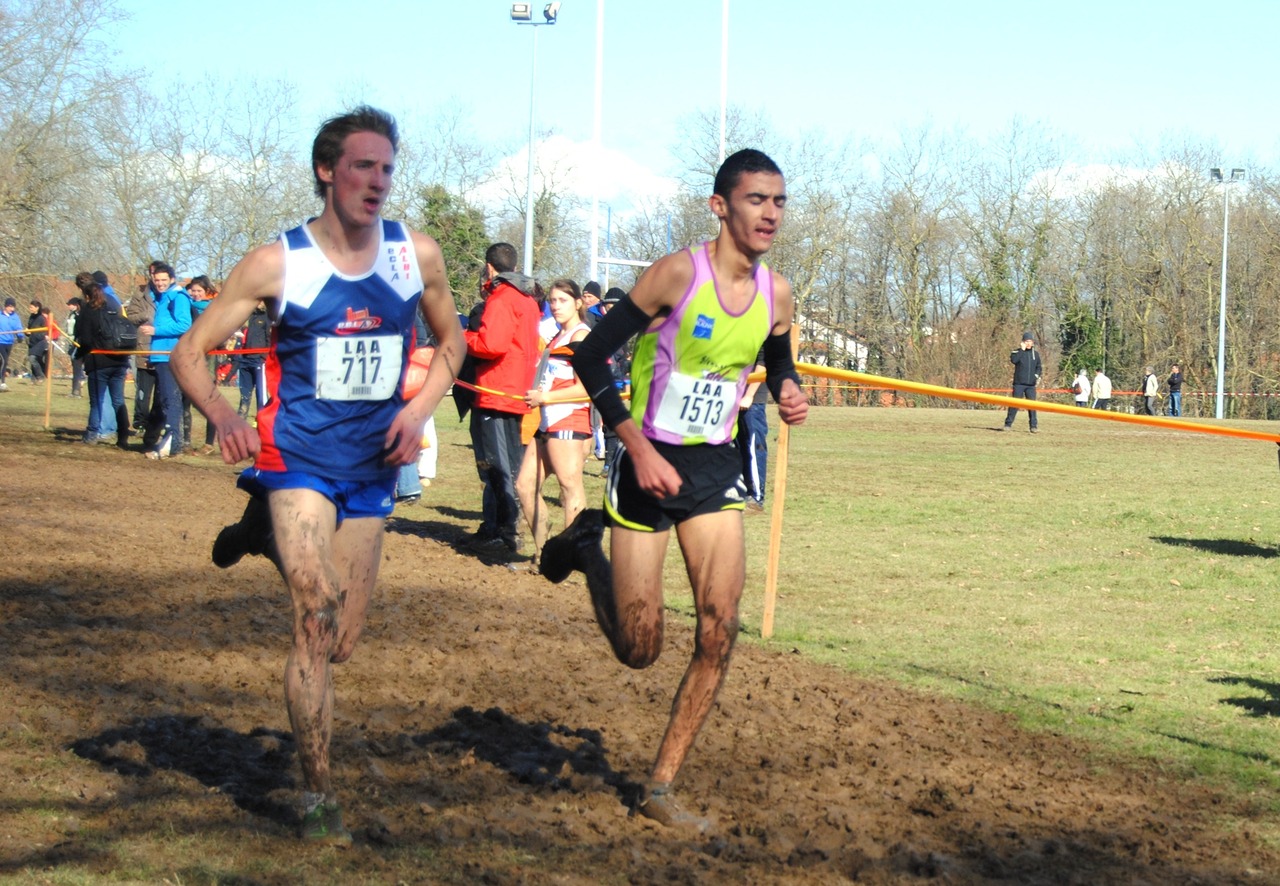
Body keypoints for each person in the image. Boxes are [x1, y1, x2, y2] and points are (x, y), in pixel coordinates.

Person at [171, 106, 463, 845]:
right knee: (315, 610)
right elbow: (189, 351)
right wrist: (223, 415)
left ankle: (260, 534)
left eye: (387, 167)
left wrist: (419, 409)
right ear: (327, 171)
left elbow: (452, 342)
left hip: (372, 467)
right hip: (296, 457)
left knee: (342, 641)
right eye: (363, 165)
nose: (378, 180)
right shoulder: (278, 263)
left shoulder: (416, 255)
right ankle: (317, 794)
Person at [539, 148, 809, 830]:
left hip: (713, 469)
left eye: (779, 201)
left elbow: (777, 355)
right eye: (756, 200)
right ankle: (586, 548)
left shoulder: (777, 293)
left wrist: (787, 387)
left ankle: (659, 787)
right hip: (647, 463)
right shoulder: (676, 276)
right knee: (640, 648)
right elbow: (590, 354)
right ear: (720, 206)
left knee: (720, 630)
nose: (770, 213)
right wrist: (633, 444)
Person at [462, 242, 540, 553]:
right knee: (509, 462)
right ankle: (500, 526)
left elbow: (491, 345)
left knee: (496, 465)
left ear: (489, 267)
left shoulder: (503, 297)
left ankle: (504, 530)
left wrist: (462, 337)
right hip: (515, 390)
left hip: (497, 391)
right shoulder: (527, 299)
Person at [515, 278, 592, 561]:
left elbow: (585, 389)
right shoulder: (557, 337)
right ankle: (543, 555)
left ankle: (569, 559)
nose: (556, 306)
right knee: (524, 486)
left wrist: (544, 398)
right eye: (552, 300)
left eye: (562, 300)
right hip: (547, 421)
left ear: (578, 303)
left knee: (569, 489)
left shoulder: (580, 337)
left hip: (569, 420)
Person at [75, 278, 130, 449]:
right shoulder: (114, 307)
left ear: (87, 296)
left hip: (99, 362)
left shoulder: (88, 311)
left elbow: (86, 340)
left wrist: (79, 355)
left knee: (96, 401)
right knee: (118, 400)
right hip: (120, 360)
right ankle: (123, 435)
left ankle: (92, 433)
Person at [146, 264, 191, 459]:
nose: (160, 283)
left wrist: (156, 331)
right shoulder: (161, 298)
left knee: (170, 400)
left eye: (164, 280)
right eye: (157, 280)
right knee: (166, 400)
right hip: (159, 355)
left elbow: (184, 324)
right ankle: (171, 442)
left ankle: (172, 444)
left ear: (172, 279)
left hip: (169, 355)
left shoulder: (178, 298)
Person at [736, 349, 769, 514]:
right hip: (731, 393)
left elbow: (763, 363)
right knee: (733, 447)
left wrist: (749, 395)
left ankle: (755, 497)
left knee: (753, 447)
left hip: (752, 400)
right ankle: (737, 494)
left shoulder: (763, 335)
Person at [1000, 332, 1041, 433]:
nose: (1028, 343)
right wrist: (1022, 350)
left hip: (1031, 385)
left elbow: (1039, 367)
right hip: (1019, 384)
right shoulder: (1016, 352)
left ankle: (1033, 426)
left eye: (1030, 341)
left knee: (1032, 406)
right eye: (1027, 341)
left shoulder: (1036, 354)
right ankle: (1008, 424)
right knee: (1014, 404)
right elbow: (1014, 360)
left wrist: (1036, 376)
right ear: (1023, 342)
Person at [0, 297, 24, 391]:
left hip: (9, 342)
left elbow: (18, 327)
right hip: (0, 341)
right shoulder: (0, 316)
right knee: (4, 360)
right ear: (6, 306)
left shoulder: (15, 317)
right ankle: (3, 383)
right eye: (10, 306)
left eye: (13, 307)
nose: (12, 309)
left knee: (2, 362)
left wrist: (20, 336)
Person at [65, 296, 86, 398]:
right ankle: (76, 390)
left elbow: (78, 330)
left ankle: (77, 390)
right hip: (76, 342)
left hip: (81, 344)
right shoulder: (73, 315)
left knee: (76, 363)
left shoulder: (81, 316)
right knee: (75, 364)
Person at [25, 300, 49, 382]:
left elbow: (44, 332)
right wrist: (27, 332)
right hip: (32, 342)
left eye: (31, 307)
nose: (30, 309)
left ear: (37, 308)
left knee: (32, 358)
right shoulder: (31, 317)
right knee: (37, 360)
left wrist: (33, 334)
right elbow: (29, 328)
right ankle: (34, 378)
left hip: (40, 342)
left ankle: (41, 375)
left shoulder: (42, 318)